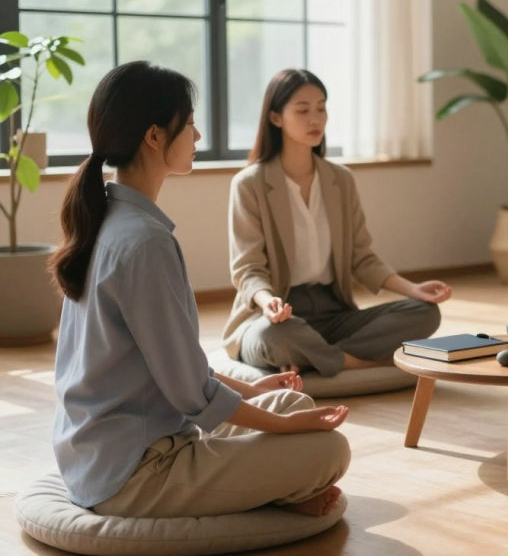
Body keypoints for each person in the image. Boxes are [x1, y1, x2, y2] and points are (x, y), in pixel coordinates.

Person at [51, 61, 351, 518]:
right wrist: (282, 428)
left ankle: (275, 489)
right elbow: (191, 392)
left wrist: (256, 394)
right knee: (328, 450)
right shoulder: (145, 242)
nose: (197, 136)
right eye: (189, 124)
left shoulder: (112, 218)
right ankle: (280, 495)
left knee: (293, 401)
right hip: (136, 471)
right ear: (154, 137)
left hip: (106, 450)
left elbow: (171, 368)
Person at [223, 69, 448, 375]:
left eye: (321, 107)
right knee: (271, 337)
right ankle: (352, 361)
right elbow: (248, 270)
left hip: (334, 312)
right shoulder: (249, 184)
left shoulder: (340, 180)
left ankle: (315, 358)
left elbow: (362, 258)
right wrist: (269, 303)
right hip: (276, 315)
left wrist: (413, 289)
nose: (315, 119)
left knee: (425, 313)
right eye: (302, 110)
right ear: (275, 118)